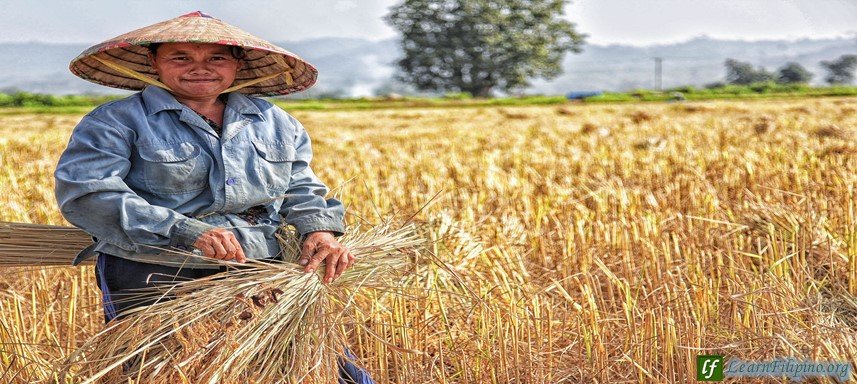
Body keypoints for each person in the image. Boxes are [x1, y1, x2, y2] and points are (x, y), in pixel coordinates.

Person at [54, 11, 374, 383]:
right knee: (154, 370)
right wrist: (186, 231)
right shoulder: (115, 121)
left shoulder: (273, 121)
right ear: (152, 62)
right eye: (181, 57)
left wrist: (320, 230)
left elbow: (300, 187)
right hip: (153, 265)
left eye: (216, 58)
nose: (200, 68)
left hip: (259, 261)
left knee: (320, 362)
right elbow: (87, 194)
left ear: (238, 64)